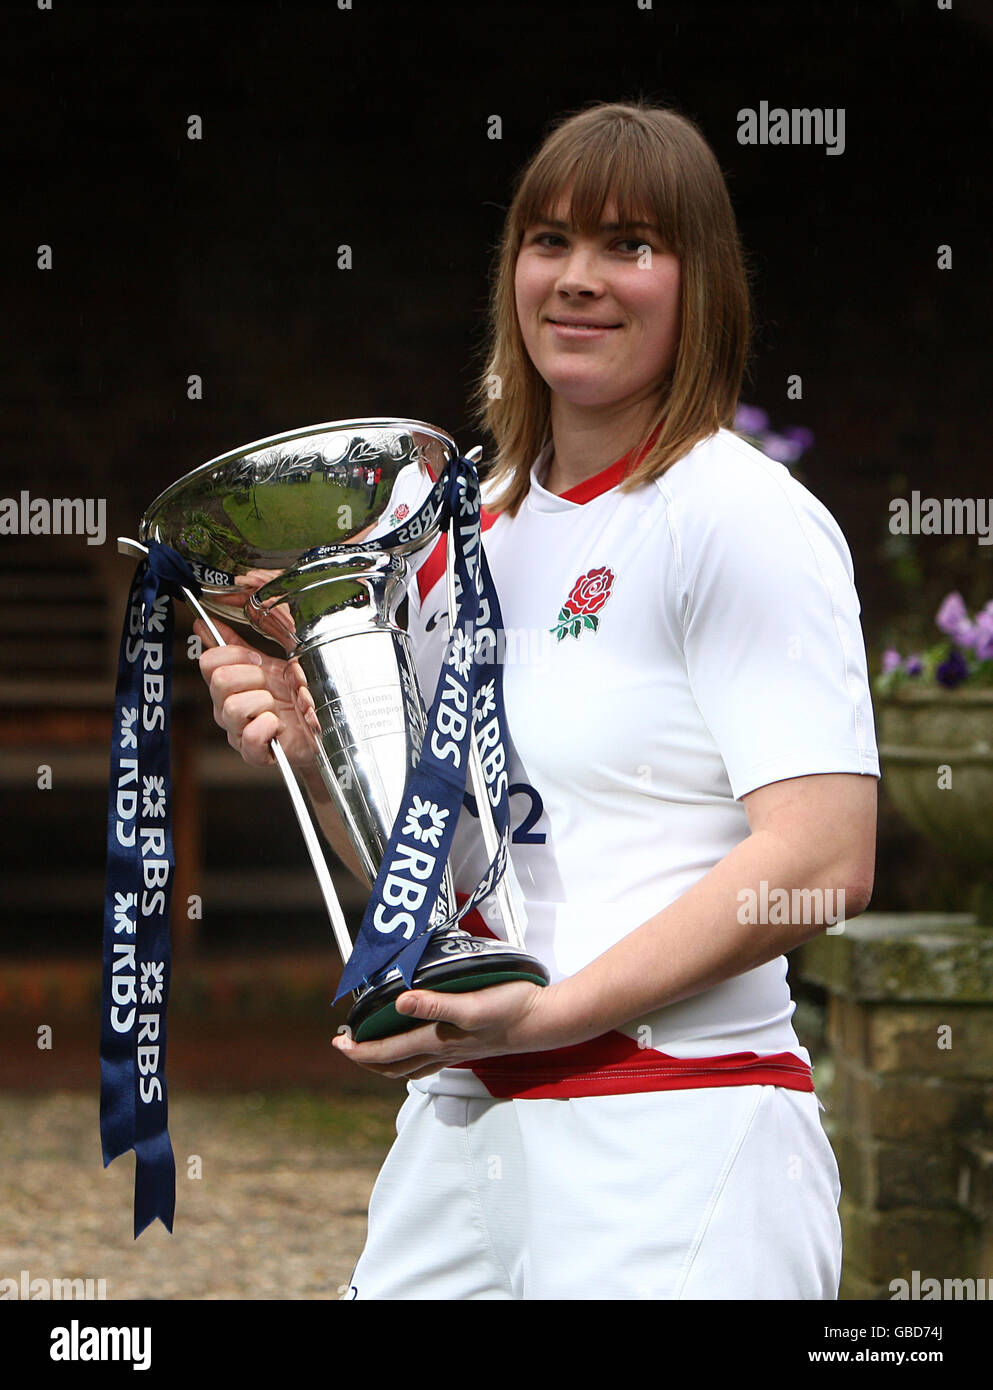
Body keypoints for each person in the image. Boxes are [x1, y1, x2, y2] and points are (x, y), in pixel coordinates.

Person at [196, 100, 879, 1300]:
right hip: (463, 1135)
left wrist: (554, 1012)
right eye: (549, 239)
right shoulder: (467, 524)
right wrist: (322, 752)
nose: (579, 278)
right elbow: (467, 868)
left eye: (631, 245)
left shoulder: (740, 516)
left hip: (680, 1138)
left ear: (700, 282)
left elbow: (823, 855)